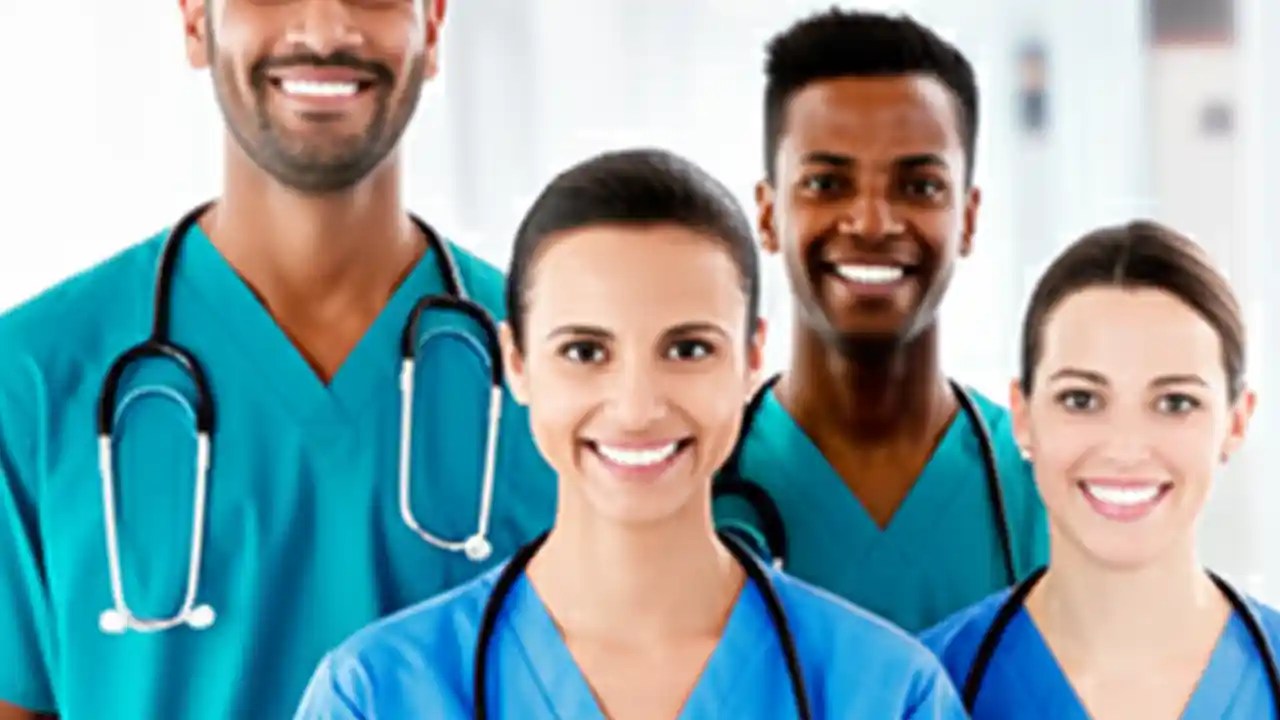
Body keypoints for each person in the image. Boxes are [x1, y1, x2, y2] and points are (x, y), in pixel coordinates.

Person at [0, 2, 555, 718]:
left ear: (433, 24)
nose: (323, 30)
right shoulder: (31, 380)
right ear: (195, 22)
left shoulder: (568, 379)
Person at [293, 148, 968, 719]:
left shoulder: (884, 693)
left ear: (751, 358)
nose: (637, 407)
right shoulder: (379, 694)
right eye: (585, 352)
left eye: (688, 349)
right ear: (517, 363)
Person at [711, 7, 1048, 634]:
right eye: (825, 183)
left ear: (968, 218)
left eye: (919, 187)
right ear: (768, 214)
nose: (871, 222)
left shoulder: (1043, 481)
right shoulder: (700, 480)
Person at [922, 221, 1280, 718]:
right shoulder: (922, 684)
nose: (1125, 449)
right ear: (1023, 417)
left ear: (1235, 423)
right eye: (1081, 399)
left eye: (1175, 402)